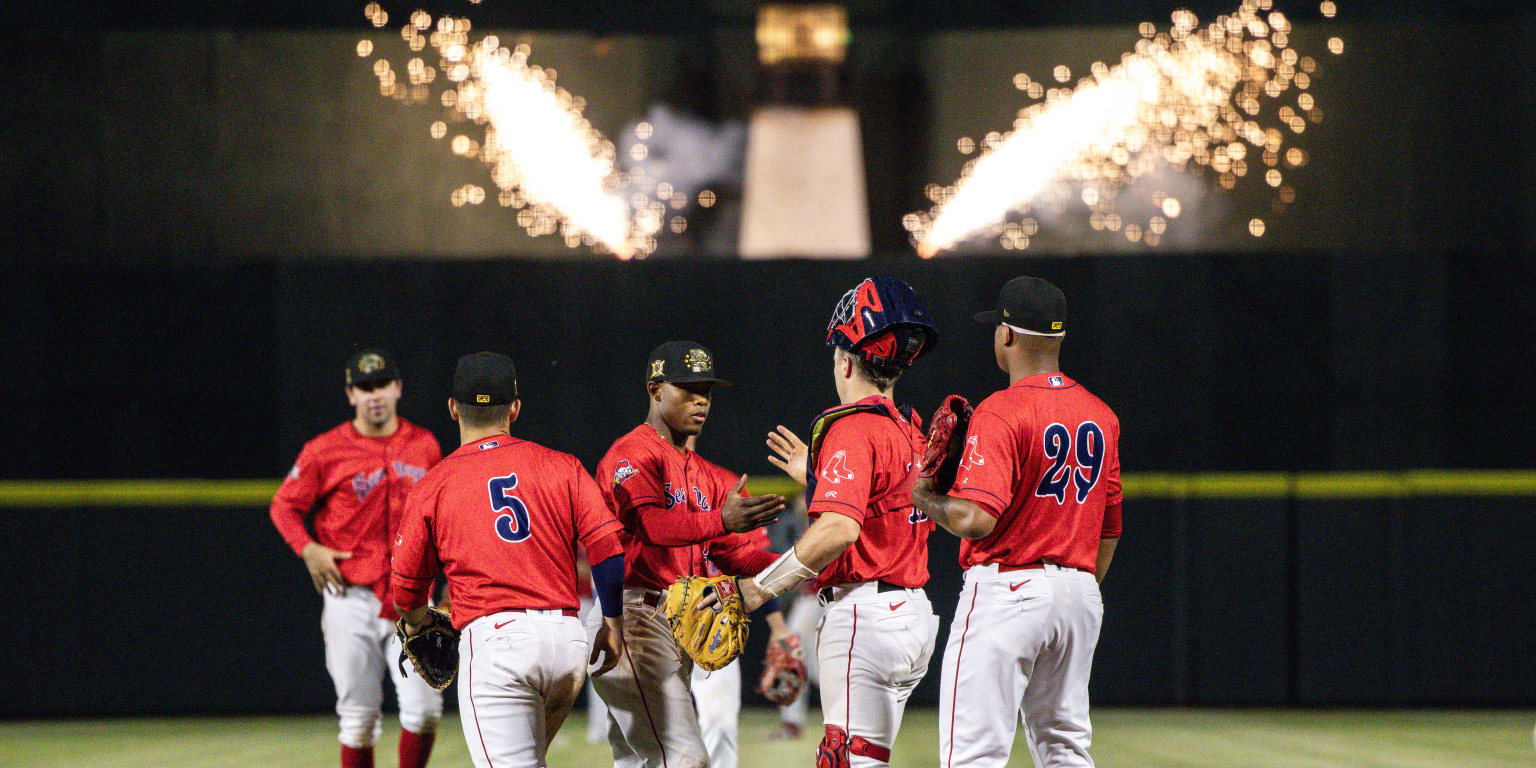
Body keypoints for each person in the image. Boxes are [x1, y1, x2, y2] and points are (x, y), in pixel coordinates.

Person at [910, 276, 1122, 768]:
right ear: (1060, 337)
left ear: (1006, 335)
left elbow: (976, 518)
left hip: (1008, 591)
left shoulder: (1002, 410)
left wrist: (925, 496)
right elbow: (1109, 528)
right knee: (1066, 749)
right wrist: (1076, 588)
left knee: (973, 755)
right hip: (1080, 595)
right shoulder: (1102, 415)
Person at [391, 351, 628, 768]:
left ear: (452, 408)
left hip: (499, 646)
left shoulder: (433, 485)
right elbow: (608, 550)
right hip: (567, 643)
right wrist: (612, 623)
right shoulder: (564, 466)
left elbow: (406, 589)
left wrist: (417, 623)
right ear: (515, 407)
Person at [748, 276, 941, 768]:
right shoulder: (911, 430)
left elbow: (840, 530)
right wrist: (819, 480)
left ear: (846, 360)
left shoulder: (853, 425)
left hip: (865, 615)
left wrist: (757, 590)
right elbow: (882, 514)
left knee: (845, 761)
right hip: (912, 613)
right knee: (867, 759)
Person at [591, 341, 790, 768]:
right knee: (685, 758)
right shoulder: (631, 453)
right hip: (632, 618)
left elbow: (736, 555)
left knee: (637, 761)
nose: (701, 399)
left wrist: (807, 561)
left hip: (674, 622)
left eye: (707, 391)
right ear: (655, 389)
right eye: (687, 388)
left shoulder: (700, 472)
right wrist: (721, 519)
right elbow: (651, 525)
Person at [269, 347, 444, 768]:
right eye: (364, 387)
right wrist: (308, 548)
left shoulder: (425, 445)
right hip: (352, 596)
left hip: (414, 597)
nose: (374, 395)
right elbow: (283, 506)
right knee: (359, 720)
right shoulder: (324, 449)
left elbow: (443, 517)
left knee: (424, 713)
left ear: (398, 388)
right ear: (350, 395)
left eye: (382, 384)